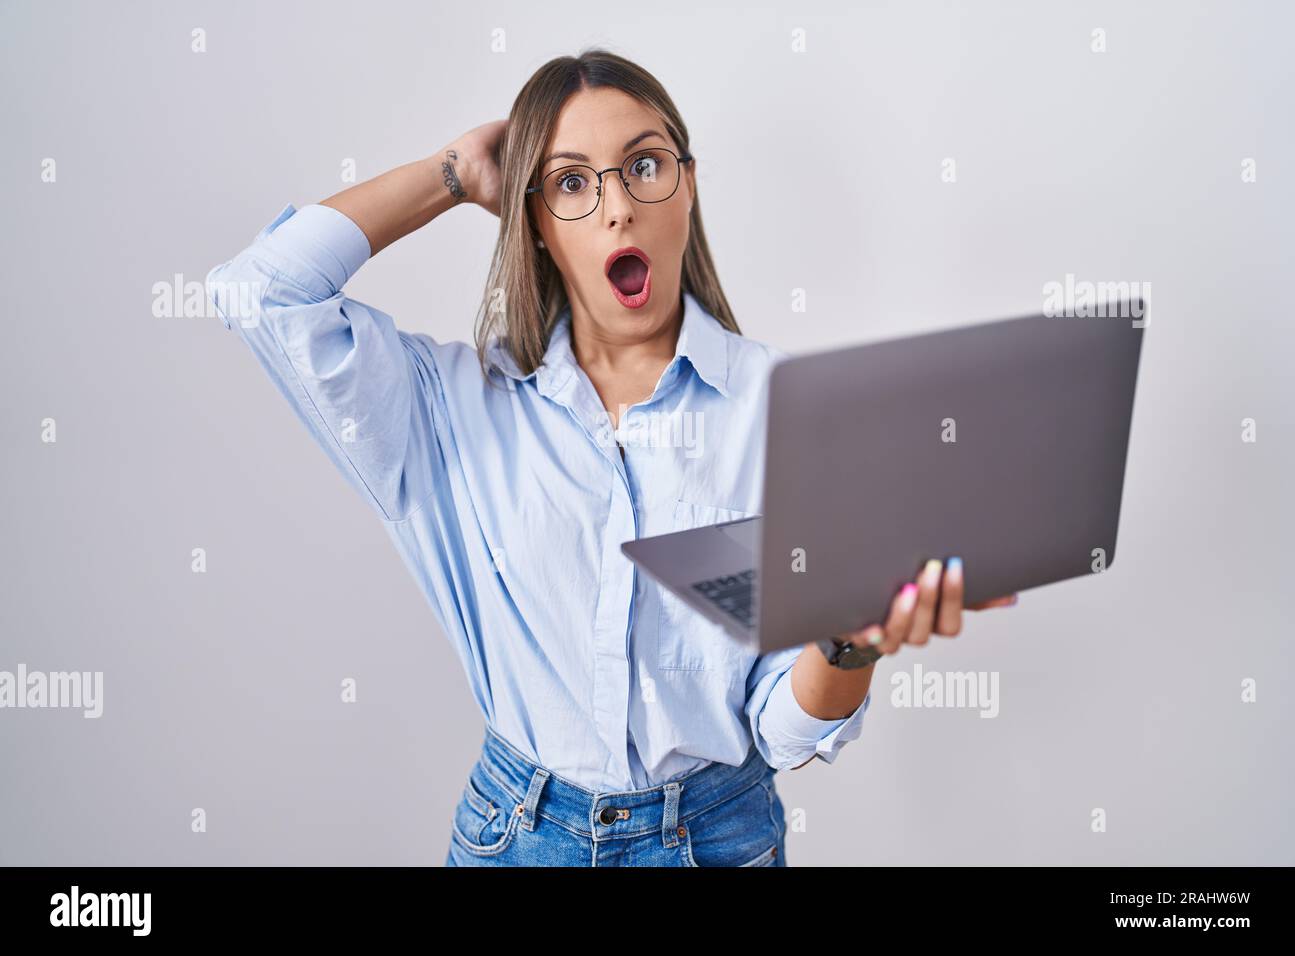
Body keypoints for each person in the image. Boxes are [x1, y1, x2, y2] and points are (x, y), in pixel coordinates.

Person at [205, 48, 1017, 867]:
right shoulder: (449, 408)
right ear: (536, 226)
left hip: (718, 841)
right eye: (570, 182)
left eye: (644, 165)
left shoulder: (788, 411)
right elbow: (262, 291)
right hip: (514, 838)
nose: (618, 208)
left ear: (688, 185)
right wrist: (452, 173)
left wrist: (852, 641)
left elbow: (781, 732)